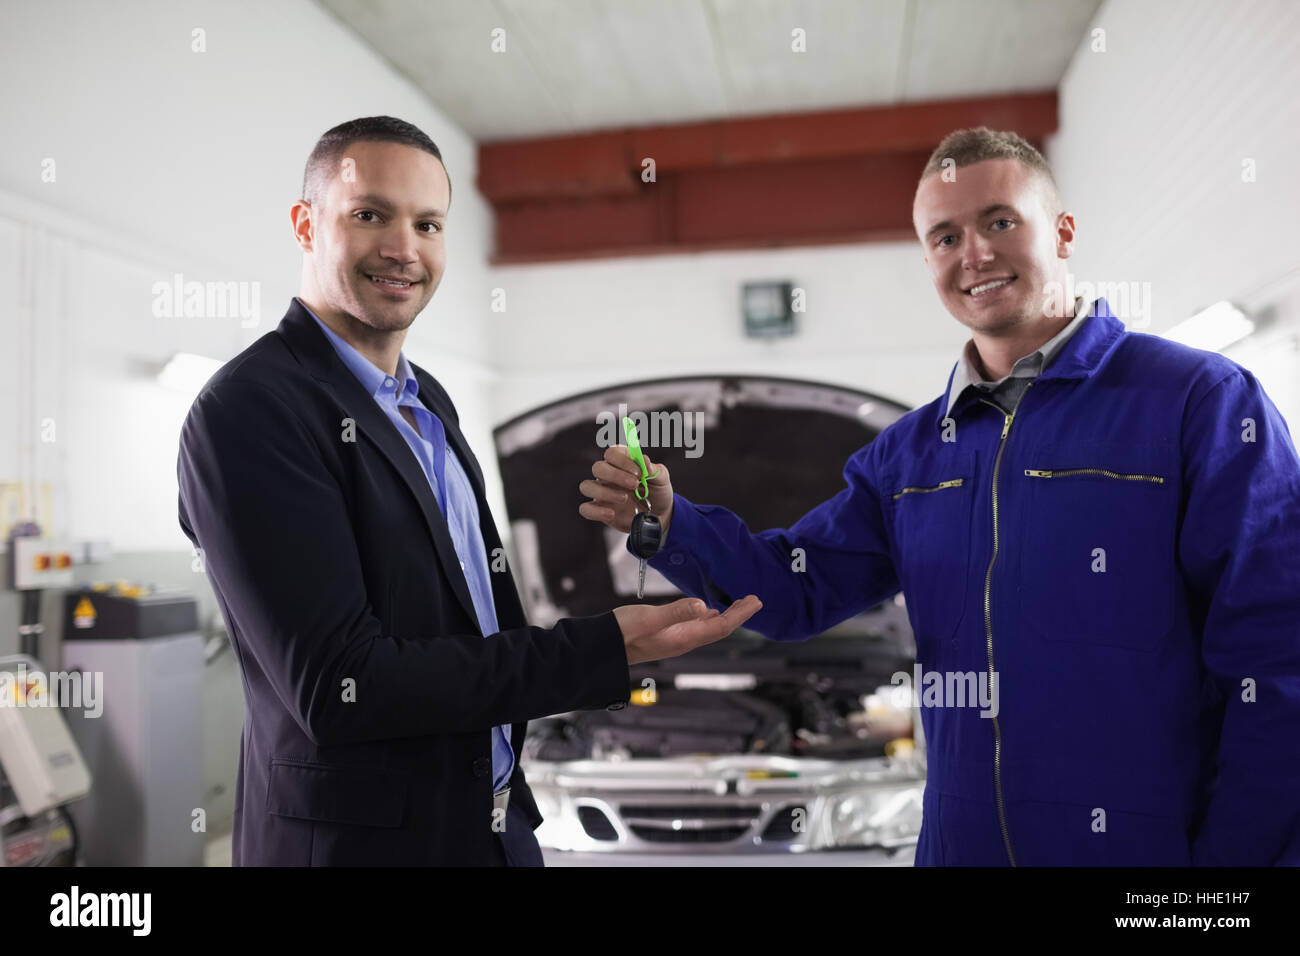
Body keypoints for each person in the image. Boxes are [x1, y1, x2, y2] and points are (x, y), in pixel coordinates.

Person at [580, 127, 1300, 866]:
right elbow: (795, 587)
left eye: (999, 221)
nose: (975, 254)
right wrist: (673, 522)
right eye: (946, 236)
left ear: (1063, 231)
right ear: (928, 260)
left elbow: (1277, 660)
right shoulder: (909, 455)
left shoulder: (1196, 401)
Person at [177, 116, 760, 867]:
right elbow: (342, 686)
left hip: (489, 829)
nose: (403, 248)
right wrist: (601, 646)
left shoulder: (432, 407)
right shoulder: (252, 409)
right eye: (370, 215)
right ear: (305, 224)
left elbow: (467, 631)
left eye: (428, 224)